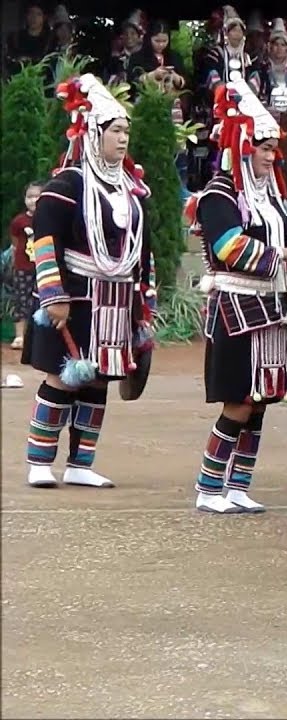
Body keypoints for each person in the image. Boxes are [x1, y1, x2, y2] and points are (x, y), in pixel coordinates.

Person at [24, 73, 155, 490]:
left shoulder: (132, 191)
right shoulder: (67, 186)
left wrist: (142, 303)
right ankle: (39, 459)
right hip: (76, 295)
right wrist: (53, 294)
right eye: (115, 130)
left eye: (126, 131)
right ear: (94, 133)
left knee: (99, 377)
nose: (123, 138)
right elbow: (44, 240)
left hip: (116, 297)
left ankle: (81, 462)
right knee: (63, 376)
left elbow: (142, 251)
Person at [190, 77, 287, 514]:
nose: (270, 155)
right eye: (262, 147)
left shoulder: (276, 197)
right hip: (237, 306)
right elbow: (228, 246)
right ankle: (209, 488)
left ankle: (239, 485)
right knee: (239, 400)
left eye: (272, 148)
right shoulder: (221, 193)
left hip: (272, 305)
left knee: (262, 400)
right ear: (242, 145)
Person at [7, 182, 41, 351]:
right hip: (23, 266)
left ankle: (37, 339)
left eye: (37, 196)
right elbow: (15, 241)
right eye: (29, 196)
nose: (33, 200)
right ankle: (20, 336)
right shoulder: (19, 220)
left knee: (42, 302)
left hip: (44, 267)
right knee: (21, 300)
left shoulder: (48, 218)